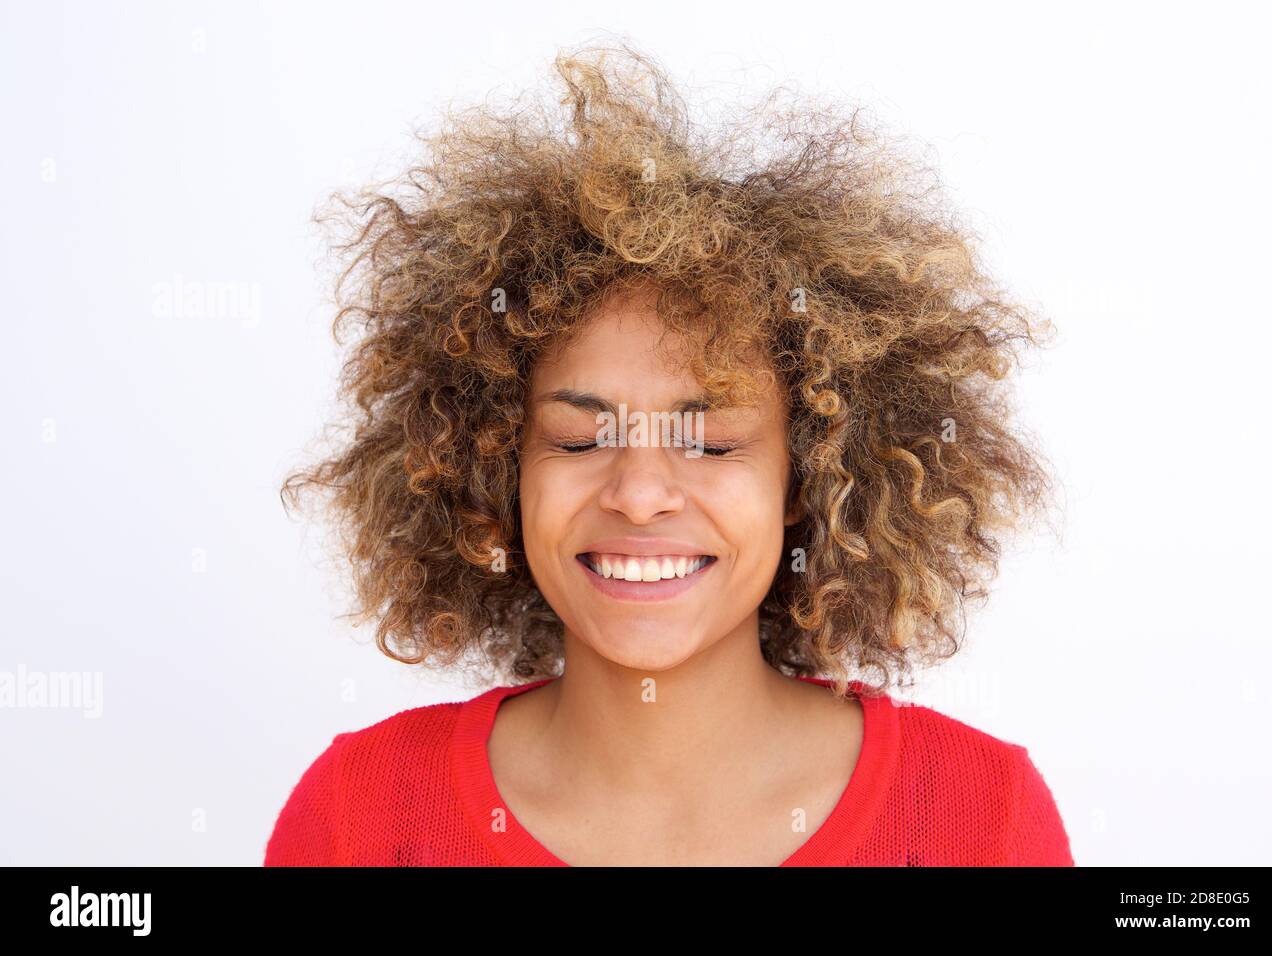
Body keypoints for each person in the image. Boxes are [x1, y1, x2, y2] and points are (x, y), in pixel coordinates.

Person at [264, 42, 1072, 867]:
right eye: (580, 438)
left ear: (806, 475)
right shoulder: (357, 819)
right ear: (498, 466)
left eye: (713, 442)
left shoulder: (982, 820)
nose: (640, 493)